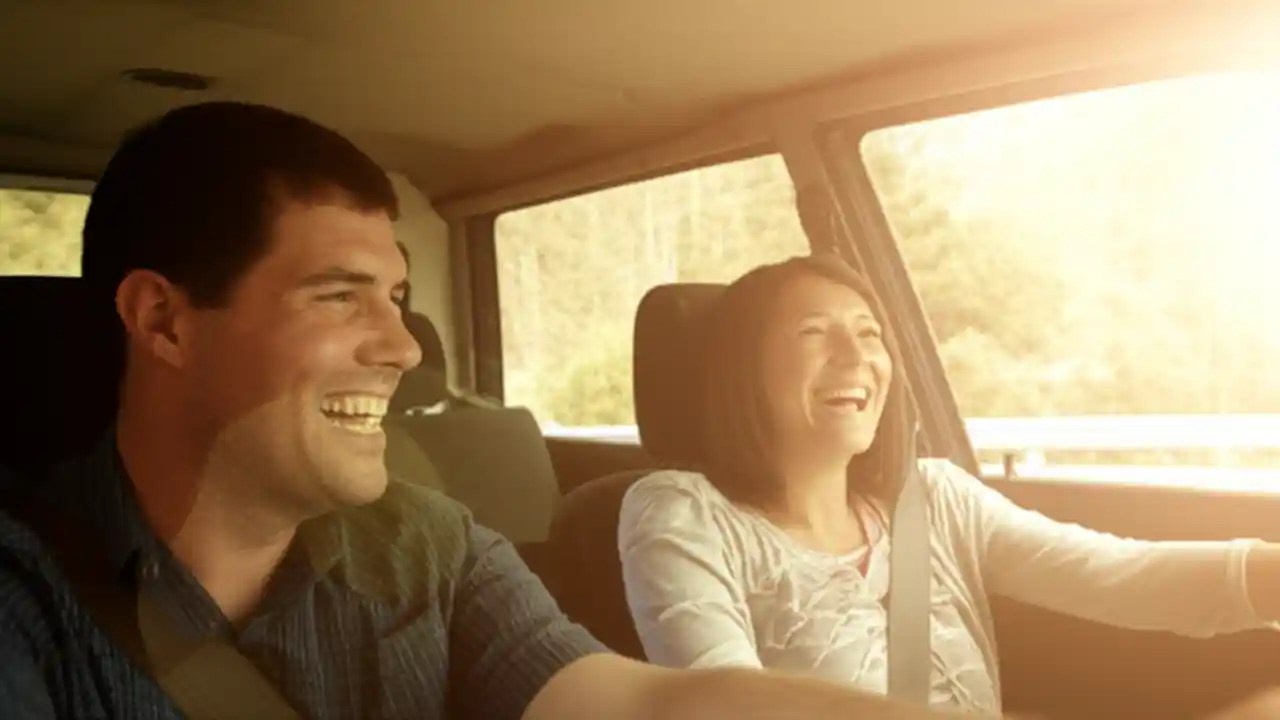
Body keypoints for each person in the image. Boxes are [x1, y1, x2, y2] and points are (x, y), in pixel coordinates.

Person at [0, 101, 1029, 720]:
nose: (403, 347)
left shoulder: (429, 548)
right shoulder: (27, 598)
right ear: (165, 323)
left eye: (397, 298)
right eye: (337, 295)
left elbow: (639, 702)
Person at [618, 255, 1280, 715]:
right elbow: (728, 705)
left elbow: (1120, 573)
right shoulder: (681, 513)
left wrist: (1268, 576)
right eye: (815, 334)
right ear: (743, 369)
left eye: (870, 333)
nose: (857, 358)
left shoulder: (934, 497)